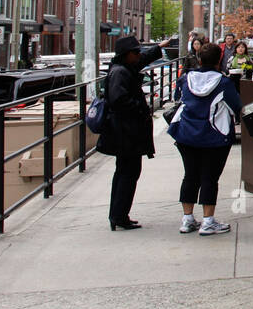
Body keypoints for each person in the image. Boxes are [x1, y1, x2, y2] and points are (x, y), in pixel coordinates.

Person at [168, 42, 242, 235]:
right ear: (220, 60)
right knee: (209, 178)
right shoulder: (224, 82)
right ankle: (208, 221)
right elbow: (236, 106)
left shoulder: (186, 79)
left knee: (190, 176)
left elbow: (178, 98)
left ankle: (187, 219)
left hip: (186, 135)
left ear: (199, 59)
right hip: (214, 137)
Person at [99, 35, 163, 231]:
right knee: (128, 173)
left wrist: (158, 47)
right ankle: (119, 215)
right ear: (126, 55)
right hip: (126, 133)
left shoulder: (124, 68)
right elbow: (119, 100)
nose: (138, 55)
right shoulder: (120, 72)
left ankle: (118, 214)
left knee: (125, 173)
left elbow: (142, 61)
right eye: (135, 52)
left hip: (126, 133)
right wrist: (139, 109)